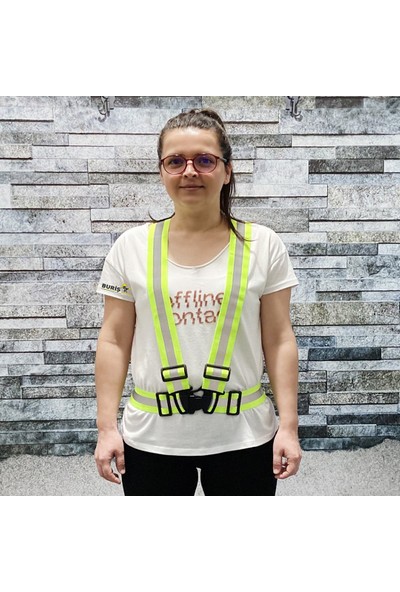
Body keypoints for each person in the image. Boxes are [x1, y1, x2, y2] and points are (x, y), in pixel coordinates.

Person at [94, 108, 302, 496]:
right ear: (162, 171)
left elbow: (279, 339)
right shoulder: (130, 247)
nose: (189, 171)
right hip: (152, 437)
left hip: (245, 435)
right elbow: (114, 340)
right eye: (175, 161)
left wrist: (288, 426)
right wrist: (106, 427)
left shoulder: (263, 245)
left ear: (227, 170)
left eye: (204, 160)